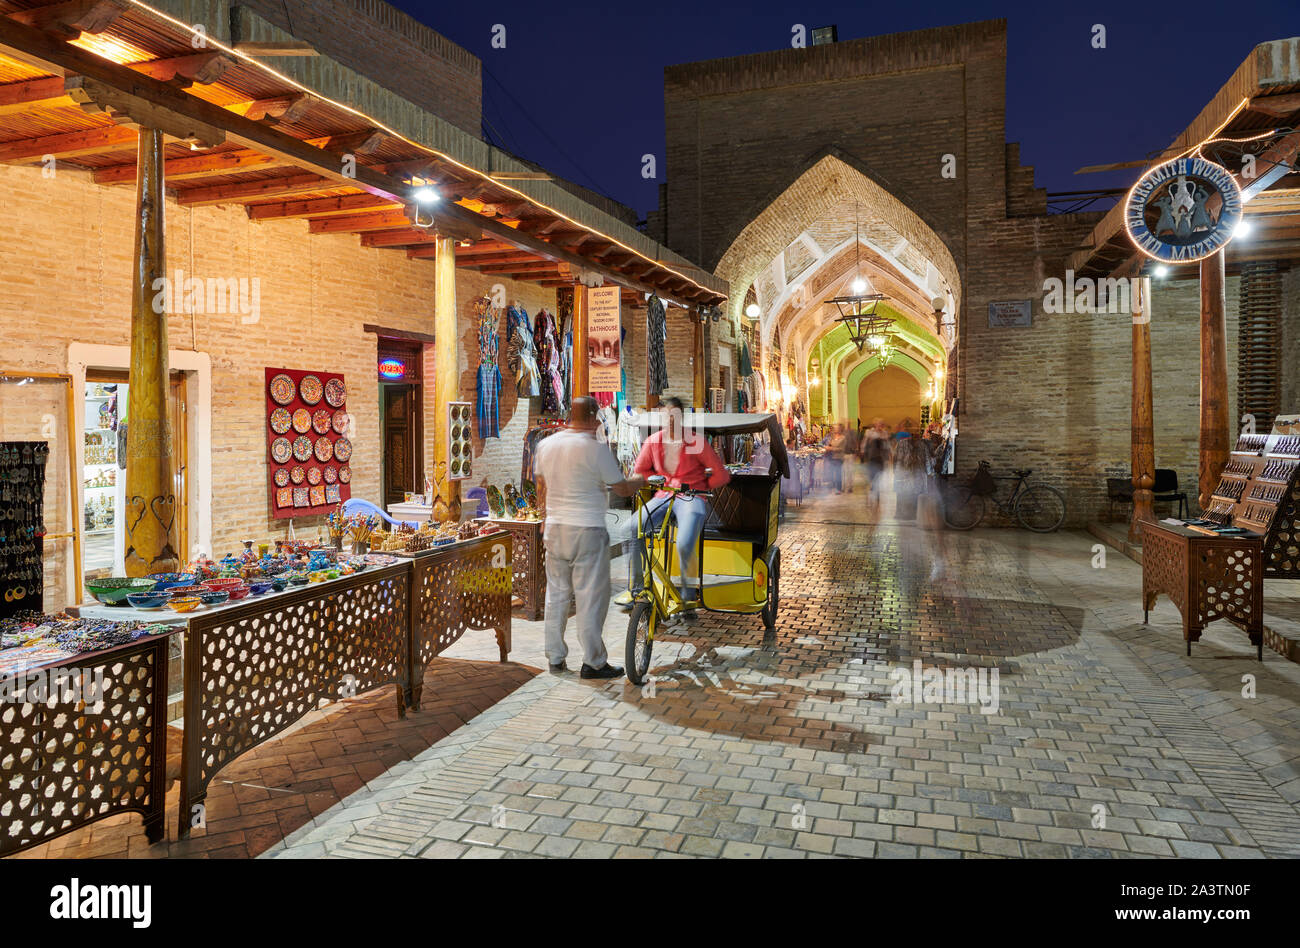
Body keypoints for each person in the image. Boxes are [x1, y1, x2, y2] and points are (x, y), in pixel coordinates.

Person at [535, 396, 645, 679]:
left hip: (555, 529)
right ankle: (594, 662)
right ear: (592, 416)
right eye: (596, 417)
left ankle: (555, 658)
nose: (599, 422)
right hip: (587, 530)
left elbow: (541, 486)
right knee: (590, 598)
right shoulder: (595, 449)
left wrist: (544, 516)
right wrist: (642, 480)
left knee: (556, 595)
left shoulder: (546, 445)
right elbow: (621, 488)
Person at [627, 396, 731, 615]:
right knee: (629, 530)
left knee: (684, 544)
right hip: (664, 495)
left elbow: (721, 474)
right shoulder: (653, 441)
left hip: (691, 497)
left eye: (674, 415)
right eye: (666, 415)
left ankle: (688, 592)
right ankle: (638, 589)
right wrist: (654, 480)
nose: (670, 420)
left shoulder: (697, 442)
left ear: (681, 417)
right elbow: (641, 469)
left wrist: (702, 487)